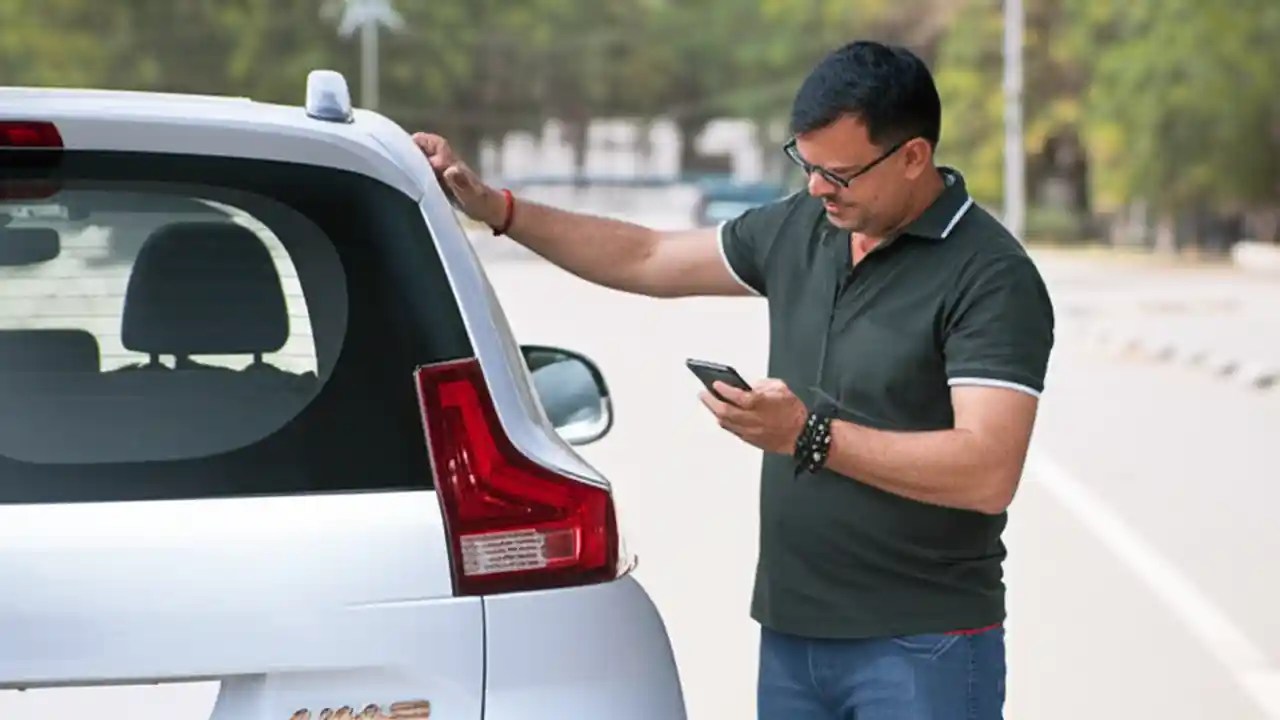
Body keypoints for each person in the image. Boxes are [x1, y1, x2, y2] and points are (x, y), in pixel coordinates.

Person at [414, 39, 1054, 720]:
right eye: (805, 166)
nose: (815, 189)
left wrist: (809, 437)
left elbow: (987, 470)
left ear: (913, 157)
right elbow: (648, 255)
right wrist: (497, 208)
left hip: (925, 645)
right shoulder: (806, 226)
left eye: (837, 174)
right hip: (793, 637)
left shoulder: (990, 276)